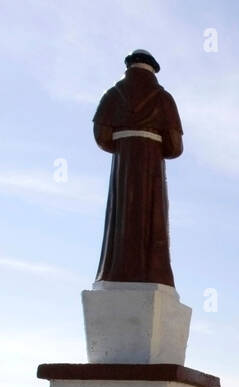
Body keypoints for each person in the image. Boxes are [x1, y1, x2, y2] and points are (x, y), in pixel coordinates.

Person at [92, 50, 184, 286]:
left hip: (123, 160)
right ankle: (151, 273)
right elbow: (175, 147)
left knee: (120, 217)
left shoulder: (112, 95)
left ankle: (116, 271)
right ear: (153, 68)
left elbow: (102, 136)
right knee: (152, 220)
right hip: (151, 164)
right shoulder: (163, 98)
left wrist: (125, 141)